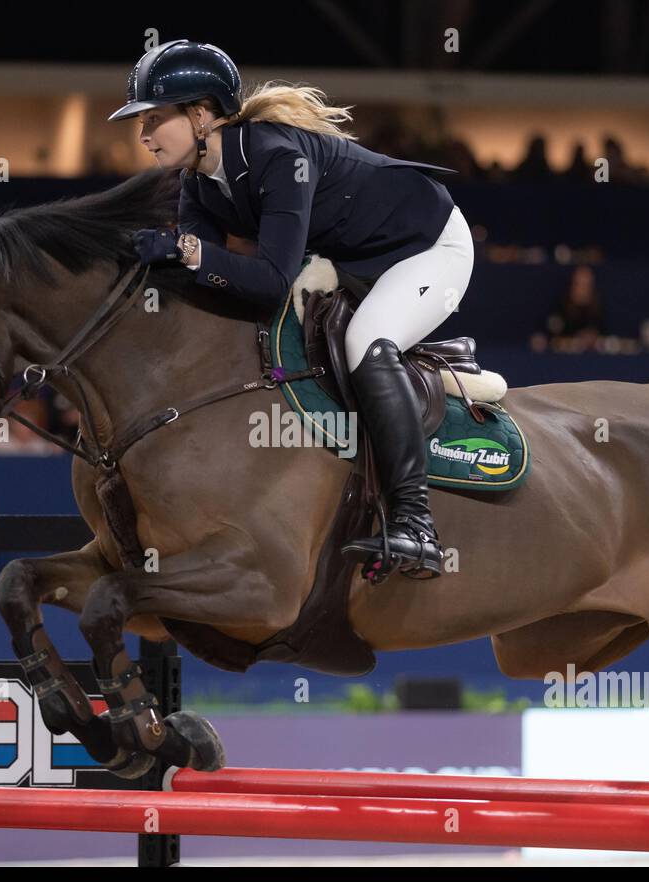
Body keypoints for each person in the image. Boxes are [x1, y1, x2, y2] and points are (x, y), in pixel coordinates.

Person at [111, 39, 475, 579]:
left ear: (203, 115)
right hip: (357, 260)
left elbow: (269, 283)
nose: (143, 134)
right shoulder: (199, 186)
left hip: (427, 247)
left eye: (154, 118)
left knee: (366, 343)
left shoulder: (279, 156)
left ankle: (416, 524)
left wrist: (186, 251)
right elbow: (206, 284)